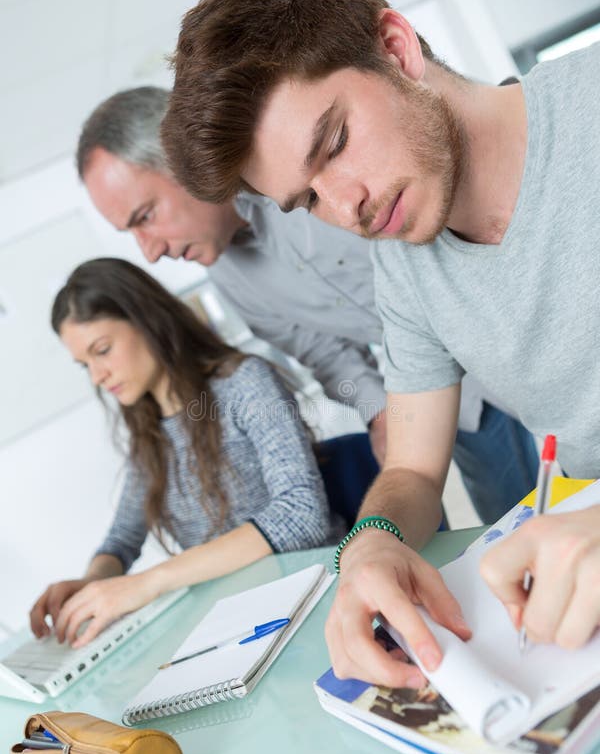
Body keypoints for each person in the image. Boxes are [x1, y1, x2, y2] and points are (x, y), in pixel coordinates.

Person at [161, 0, 600, 684]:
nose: (347, 208)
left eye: (334, 143)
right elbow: (414, 469)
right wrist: (371, 542)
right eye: (308, 200)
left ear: (396, 48)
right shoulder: (405, 270)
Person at [76, 87, 539, 524]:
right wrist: (378, 412)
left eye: (145, 217)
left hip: (523, 336)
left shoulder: (315, 170)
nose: (150, 252)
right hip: (460, 404)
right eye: (130, 233)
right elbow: (327, 355)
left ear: (186, 158)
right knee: (516, 530)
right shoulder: (229, 280)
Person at [30, 257, 339, 647]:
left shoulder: (244, 383)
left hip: (316, 599)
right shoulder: (149, 431)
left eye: (103, 350)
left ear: (146, 320)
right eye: (84, 365)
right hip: (242, 618)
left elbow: (300, 516)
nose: (97, 376)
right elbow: (122, 540)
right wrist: (92, 585)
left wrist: (151, 581)